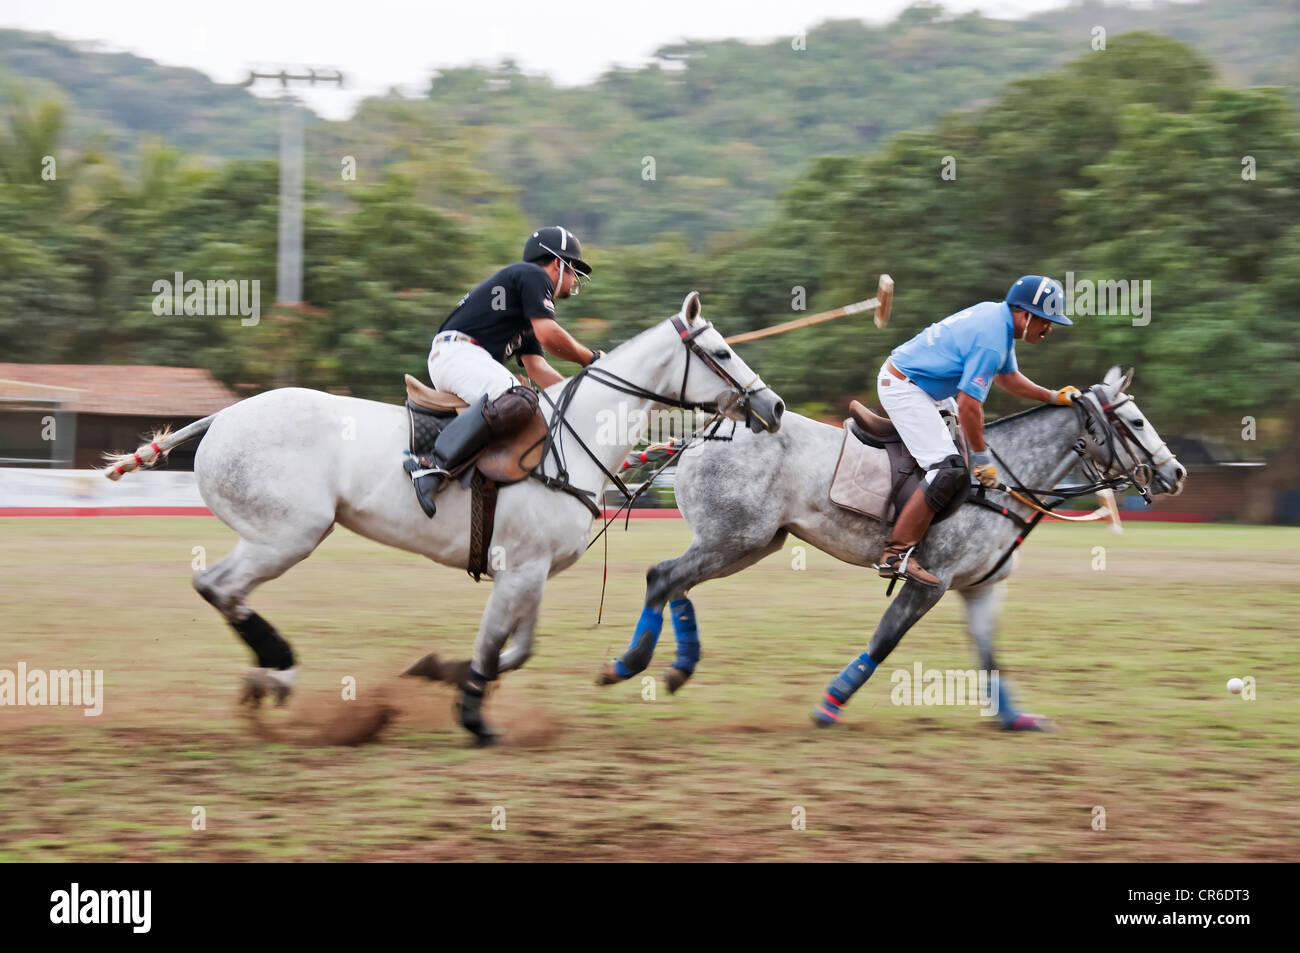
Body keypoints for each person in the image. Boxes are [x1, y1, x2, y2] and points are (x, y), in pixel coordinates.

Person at [872, 275, 1080, 587]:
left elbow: (1008, 379)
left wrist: (1052, 396)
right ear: (1025, 315)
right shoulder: (991, 339)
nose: (1048, 329)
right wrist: (982, 457)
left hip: (926, 389)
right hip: (906, 388)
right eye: (1046, 321)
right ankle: (896, 552)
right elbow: (969, 405)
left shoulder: (999, 321)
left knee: (960, 460)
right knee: (948, 468)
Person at [405, 226, 604, 517]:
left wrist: (576, 401)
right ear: (558, 264)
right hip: (458, 353)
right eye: (573, 269)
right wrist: (591, 359)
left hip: (460, 356)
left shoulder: (526, 306)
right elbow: (549, 334)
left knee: (527, 400)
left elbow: (538, 368)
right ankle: (431, 466)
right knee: (520, 397)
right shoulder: (534, 276)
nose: (574, 279)